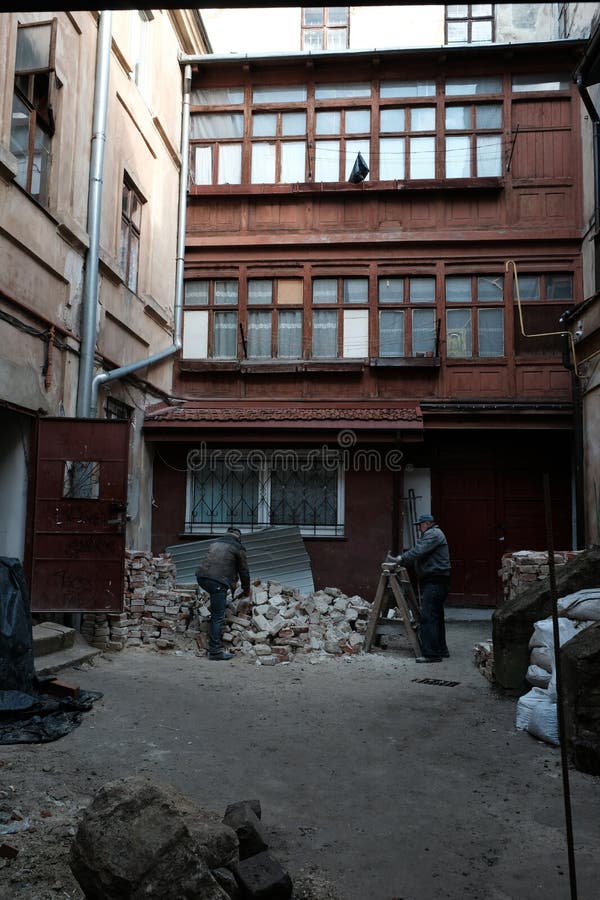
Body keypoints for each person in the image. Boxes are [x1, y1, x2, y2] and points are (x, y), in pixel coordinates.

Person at [387, 513, 451, 663]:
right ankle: (441, 649)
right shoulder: (434, 534)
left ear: (427, 524)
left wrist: (400, 559)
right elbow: (419, 553)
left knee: (428, 616)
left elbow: (419, 551)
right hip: (438, 579)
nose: (419, 528)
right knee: (436, 615)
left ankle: (431, 654)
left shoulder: (433, 534)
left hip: (435, 579)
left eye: (420, 525)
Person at [195, 526, 251, 661]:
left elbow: (224, 567)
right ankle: (215, 651)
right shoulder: (238, 547)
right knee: (218, 616)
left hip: (201, 578)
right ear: (239, 537)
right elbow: (244, 571)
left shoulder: (215, 543)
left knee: (217, 601)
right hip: (217, 582)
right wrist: (246, 590)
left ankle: (217, 605)